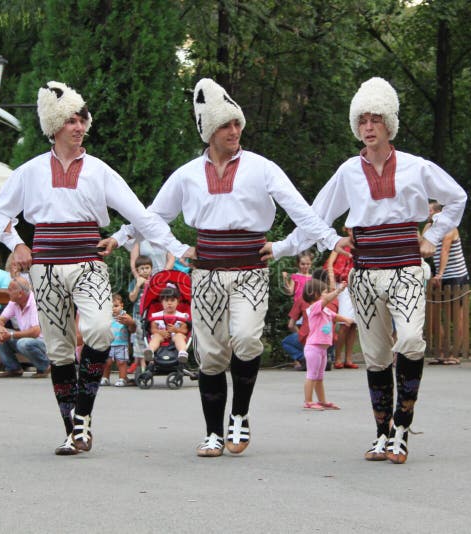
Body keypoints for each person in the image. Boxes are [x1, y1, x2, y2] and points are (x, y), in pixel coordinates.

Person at [113, 78, 341, 458]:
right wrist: (137, 240)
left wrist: (318, 243)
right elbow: (152, 216)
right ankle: (213, 433)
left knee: (248, 339)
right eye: (225, 125)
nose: (234, 130)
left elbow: (303, 211)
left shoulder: (262, 167)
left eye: (237, 123)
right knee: (213, 353)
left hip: (250, 270)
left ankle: (240, 414)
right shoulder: (187, 174)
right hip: (206, 274)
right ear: (208, 131)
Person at [0, 81, 189, 455]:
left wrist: (178, 247)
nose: (79, 127)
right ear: (53, 126)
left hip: (87, 262)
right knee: (60, 351)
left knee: (98, 330)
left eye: (82, 120)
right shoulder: (30, 171)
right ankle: (72, 430)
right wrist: (16, 242)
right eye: (70, 121)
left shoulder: (99, 170)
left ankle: (83, 414)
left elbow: (140, 215)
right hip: (45, 265)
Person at [277, 78, 467, 464]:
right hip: (364, 272)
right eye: (362, 119)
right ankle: (382, 433)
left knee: (410, 341)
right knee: (377, 355)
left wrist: (434, 234)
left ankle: (402, 427)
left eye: (375, 118)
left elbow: (456, 197)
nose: (368, 126)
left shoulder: (416, 167)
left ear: (389, 124)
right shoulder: (348, 171)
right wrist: (303, 244)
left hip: (407, 267)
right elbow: (315, 215)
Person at [424, 202, 469, 365]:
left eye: (428, 210)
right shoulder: (429, 227)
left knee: (456, 316)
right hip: (439, 276)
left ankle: (455, 352)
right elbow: (423, 247)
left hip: (456, 275)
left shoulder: (449, 227)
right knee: (436, 315)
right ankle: (442, 351)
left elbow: (444, 250)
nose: (427, 213)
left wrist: (440, 273)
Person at [0, 279, 51, 378]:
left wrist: (10, 335)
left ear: (20, 293)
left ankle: (44, 367)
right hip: (27, 338)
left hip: (44, 342)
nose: (8, 292)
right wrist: (0, 328)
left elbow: (35, 332)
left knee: (23, 343)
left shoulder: (36, 302)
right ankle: (13, 368)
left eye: (10, 290)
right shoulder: (14, 302)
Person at [301, 279, 344, 410]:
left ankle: (322, 400)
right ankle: (308, 401)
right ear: (315, 294)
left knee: (319, 377)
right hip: (313, 348)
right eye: (325, 292)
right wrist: (338, 290)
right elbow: (325, 301)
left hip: (322, 349)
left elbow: (335, 316)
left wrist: (347, 320)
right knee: (312, 375)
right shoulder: (314, 308)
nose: (327, 294)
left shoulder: (325, 310)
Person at [326, 227, 358, 369]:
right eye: (351, 230)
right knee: (345, 322)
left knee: (354, 324)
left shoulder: (362, 245)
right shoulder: (340, 244)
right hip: (343, 285)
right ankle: (338, 357)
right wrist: (332, 282)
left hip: (357, 285)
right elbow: (329, 264)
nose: (353, 233)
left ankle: (348, 358)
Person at [144, 286, 190, 362]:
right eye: (166, 300)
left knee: (179, 336)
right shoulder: (156, 315)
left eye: (172, 300)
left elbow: (185, 330)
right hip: (161, 336)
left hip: (175, 336)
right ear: (161, 302)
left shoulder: (182, 316)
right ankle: (150, 350)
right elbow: (152, 329)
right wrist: (159, 332)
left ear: (178, 302)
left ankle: (182, 352)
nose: (169, 303)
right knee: (156, 336)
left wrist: (176, 330)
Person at [100, 294, 135, 387]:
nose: (113, 309)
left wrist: (130, 322)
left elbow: (132, 324)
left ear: (121, 305)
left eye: (116, 306)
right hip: (109, 344)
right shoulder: (106, 316)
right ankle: (105, 378)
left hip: (121, 344)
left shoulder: (124, 315)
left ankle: (122, 378)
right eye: (111, 307)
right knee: (107, 362)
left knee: (121, 362)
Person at [128, 255, 154, 377]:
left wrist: (149, 284)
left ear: (151, 269)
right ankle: (142, 367)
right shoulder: (134, 282)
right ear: (137, 270)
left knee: (150, 339)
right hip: (138, 317)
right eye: (142, 268)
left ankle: (152, 363)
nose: (145, 270)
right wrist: (138, 285)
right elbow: (132, 298)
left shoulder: (154, 281)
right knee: (139, 341)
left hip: (151, 316)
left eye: (147, 268)